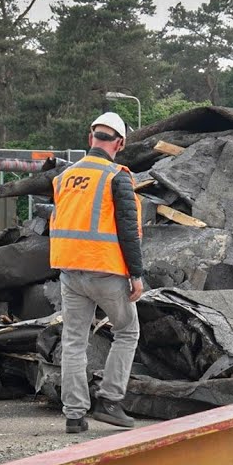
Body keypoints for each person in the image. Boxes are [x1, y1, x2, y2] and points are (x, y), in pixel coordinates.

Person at [50, 111, 145, 433]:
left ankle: (74, 416)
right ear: (119, 143)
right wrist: (137, 274)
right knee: (127, 331)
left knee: (74, 341)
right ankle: (110, 402)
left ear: (90, 138)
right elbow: (128, 231)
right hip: (105, 269)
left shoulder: (64, 176)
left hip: (69, 271)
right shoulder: (116, 175)